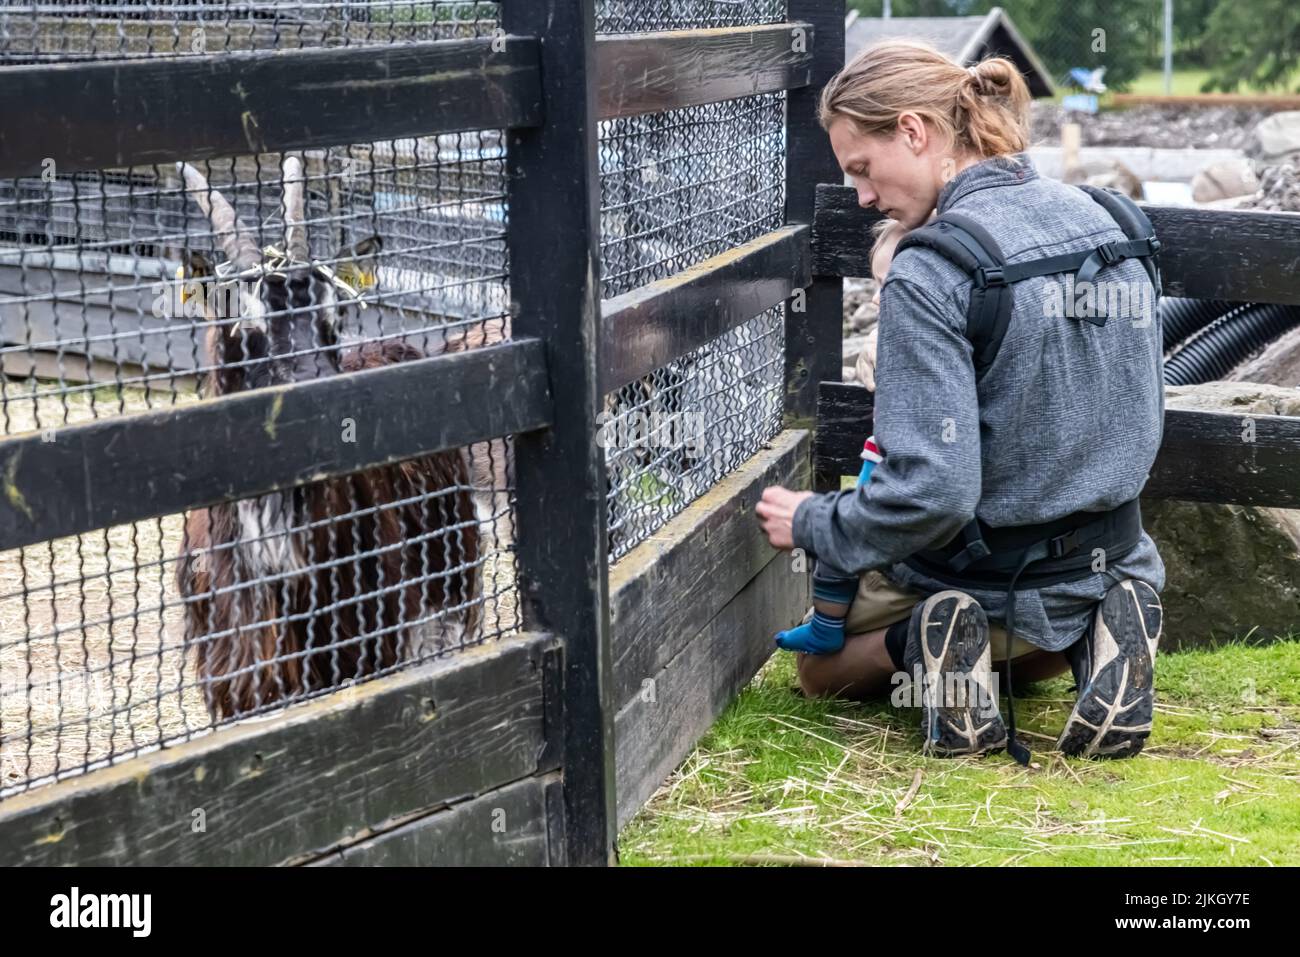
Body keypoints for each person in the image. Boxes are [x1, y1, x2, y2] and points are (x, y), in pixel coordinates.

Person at [755, 41, 1166, 763]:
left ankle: (932, 638)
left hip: (983, 568)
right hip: (1114, 554)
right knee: (1048, 623)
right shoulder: (1114, 222)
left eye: (861, 168)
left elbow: (934, 495)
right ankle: (1101, 628)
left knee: (818, 669)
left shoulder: (933, 268)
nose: (862, 197)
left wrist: (817, 519)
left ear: (915, 131)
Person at [774, 219, 902, 656]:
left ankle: (827, 624)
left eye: (891, 284)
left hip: (893, 467)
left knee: (842, 533)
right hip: (883, 457)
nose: (880, 297)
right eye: (877, 284)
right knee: (844, 528)